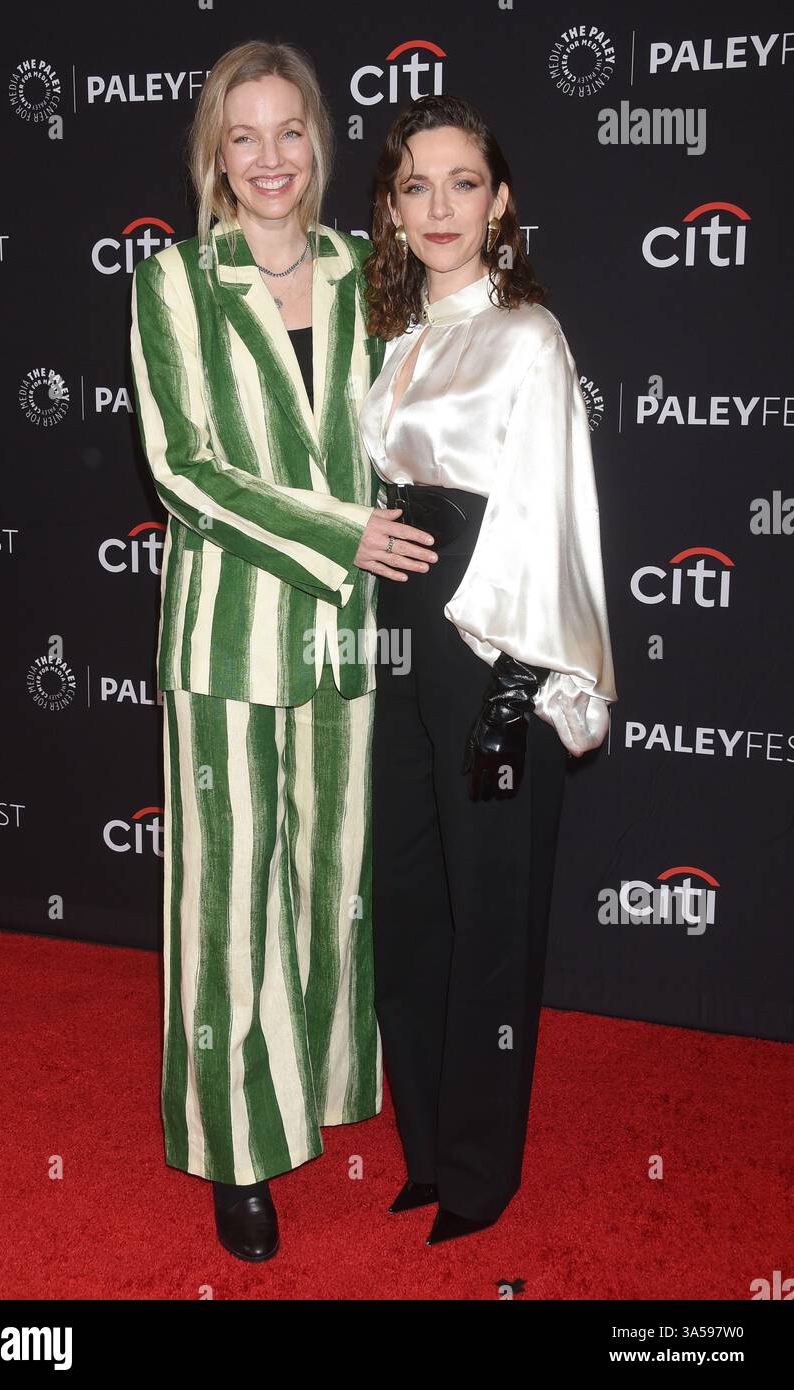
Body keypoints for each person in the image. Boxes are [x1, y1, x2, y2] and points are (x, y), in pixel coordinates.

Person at [129, 41, 435, 1263]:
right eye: (242, 137)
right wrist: (344, 533)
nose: (268, 159)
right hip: (225, 639)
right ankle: (234, 1152)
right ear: (214, 154)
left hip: (345, 644)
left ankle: (311, 1096)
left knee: (331, 885)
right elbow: (185, 467)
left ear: (319, 141)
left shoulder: (372, 270)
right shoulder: (173, 280)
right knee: (225, 897)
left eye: (289, 132)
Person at [358, 94, 618, 1245]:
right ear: (393, 210)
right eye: (416, 185)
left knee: (493, 913)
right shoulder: (399, 340)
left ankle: (480, 1170)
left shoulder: (528, 335)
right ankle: (424, 1144)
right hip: (396, 633)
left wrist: (521, 680)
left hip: (490, 642)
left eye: (463, 182)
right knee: (411, 905)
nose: (440, 206)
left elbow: (551, 514)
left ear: (501, 201)